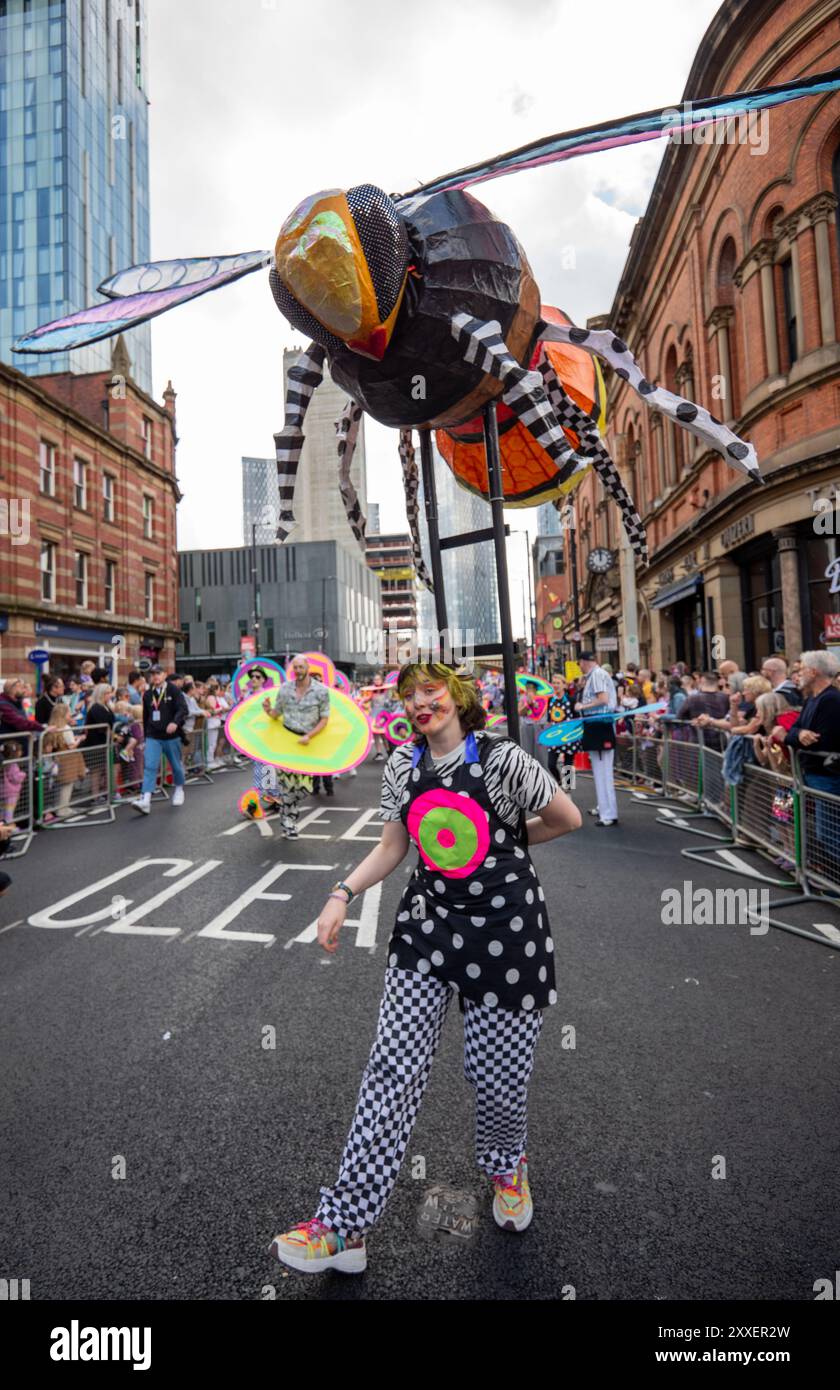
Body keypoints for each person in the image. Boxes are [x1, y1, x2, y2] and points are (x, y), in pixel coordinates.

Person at [269, 661, 581, 1275]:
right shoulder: (402, 766)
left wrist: (509, 838)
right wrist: (341, 894)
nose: (419, 702)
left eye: (430, 691)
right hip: (427, 928)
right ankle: (345, 1224)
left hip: (506, 931)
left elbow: (567, 818)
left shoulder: (501, 758)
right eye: (409, 696)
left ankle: (505, 1164)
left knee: (497, 1076)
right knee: (393, 1068)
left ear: (459, 697)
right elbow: (393, 846)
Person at [262, 654, 330, 838]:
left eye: (301, 667)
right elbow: (277, 714)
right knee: (287, 786)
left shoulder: (321, 691)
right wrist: (268, 710)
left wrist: (309, 735)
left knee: (305, 789)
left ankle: (287, 814)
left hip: (307, 743)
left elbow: (324, 719)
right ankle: (288, 822)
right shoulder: (284, 690)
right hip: (287, 743)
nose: (298, 670)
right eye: (296, 667)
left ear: (308, 667)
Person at [784, 650, 840, 866]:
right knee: (819, 830)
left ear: (814, 672)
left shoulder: (831, 700)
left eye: (802, 670)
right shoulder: (811, 700)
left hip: (827, 776)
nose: (797, 674)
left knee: (828, 832)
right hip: (811, 774)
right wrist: (798, 734)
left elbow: (822, 741)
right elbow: (793, 731)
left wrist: (795, 735)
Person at [131, 665, 189, 815]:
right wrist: (144, 736)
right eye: (153, 674)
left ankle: (179, 789)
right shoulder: (148, 694)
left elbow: (183, 709)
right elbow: (146, 716)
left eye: (158, 673)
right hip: (153, 736)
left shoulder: (173, 690)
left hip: (171, 736)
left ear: (164, 675)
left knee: (176, 765)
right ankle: (146, 800)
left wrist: (175, 722)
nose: (155, 676)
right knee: (150, 766)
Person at [576, 650, 619, 827]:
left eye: (579, 663)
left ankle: (608, 813)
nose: (578, 666)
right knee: (599, 770)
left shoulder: (597, 675)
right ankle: (604, 808)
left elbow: (603, 699)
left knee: (603, 771)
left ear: (583, 661)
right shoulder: (594, 676)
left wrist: (582, 705)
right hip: (595, 725)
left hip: (599, 724)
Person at [545, 672, 580, 781]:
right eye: (554, 683)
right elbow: (549, 719)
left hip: (569, 735)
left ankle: (568, 786)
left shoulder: (571, 700)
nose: (556, 685)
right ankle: (559, 782)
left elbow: (577, 719)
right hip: (555, 735)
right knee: (551, 764)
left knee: (568, 764)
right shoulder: (550, 700)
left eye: (558, 683)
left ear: (564, 685)